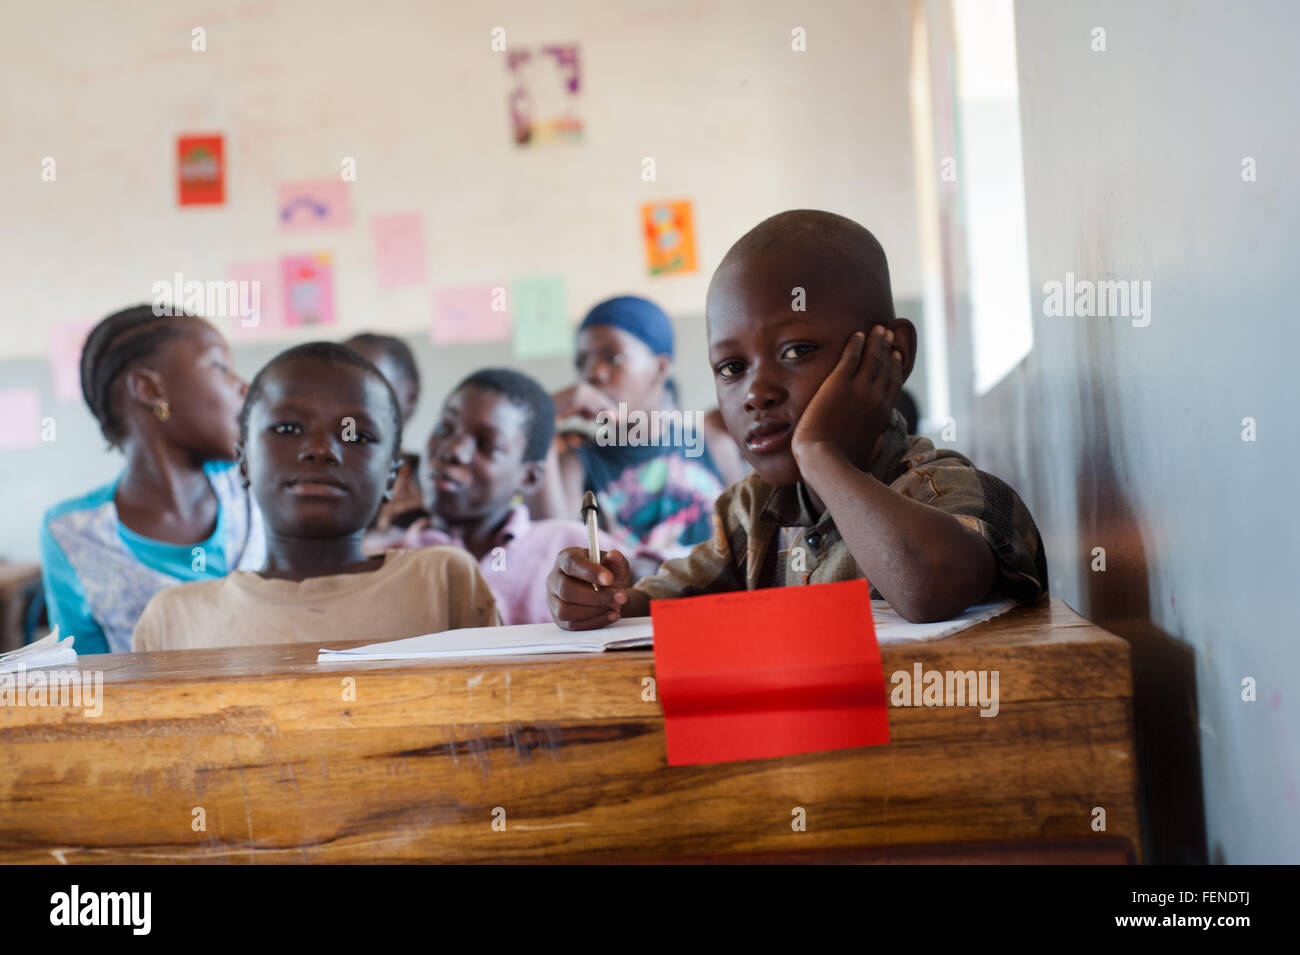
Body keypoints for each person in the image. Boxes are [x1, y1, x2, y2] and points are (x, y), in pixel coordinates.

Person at [545, 210, 1048, 628]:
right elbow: (644, 612)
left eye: (797, 350)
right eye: (731, 368)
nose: (756, 393)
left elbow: (929, 588)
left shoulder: (945, 490)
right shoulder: (751, 516)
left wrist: (819, 453)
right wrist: (595, 599)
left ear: (893, 352)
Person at [132, 342, 498, 651]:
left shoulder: (443, 582)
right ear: (244, 463)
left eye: (356, 436)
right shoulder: (173, 620)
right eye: (288, 428)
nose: (322, 450)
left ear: (391, 475)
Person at [40, 305, 264, 653]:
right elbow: (84, 673)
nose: (244, 387)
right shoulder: (74, 532)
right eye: (221, 367)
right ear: (148, 389)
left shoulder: (259, 488)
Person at [530, 295, 744, 571]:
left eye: (613, 357)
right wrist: (543, 419)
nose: (593, 374)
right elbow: (550, 554)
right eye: (582, 362)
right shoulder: (577, 465)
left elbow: (744, 546)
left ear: (661, 367)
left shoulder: (711, 446)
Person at [401, 368, 621, 625]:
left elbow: (660, 581)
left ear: (529, 477)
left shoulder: (574, 546)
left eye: (487, 445)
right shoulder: (389, 559)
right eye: (443, 428)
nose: (453, 451)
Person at [342, 333, 426, 542]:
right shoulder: (308, 477)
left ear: (410, 397)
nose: (350, 401)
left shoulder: (434, 484)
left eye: (369, 386)